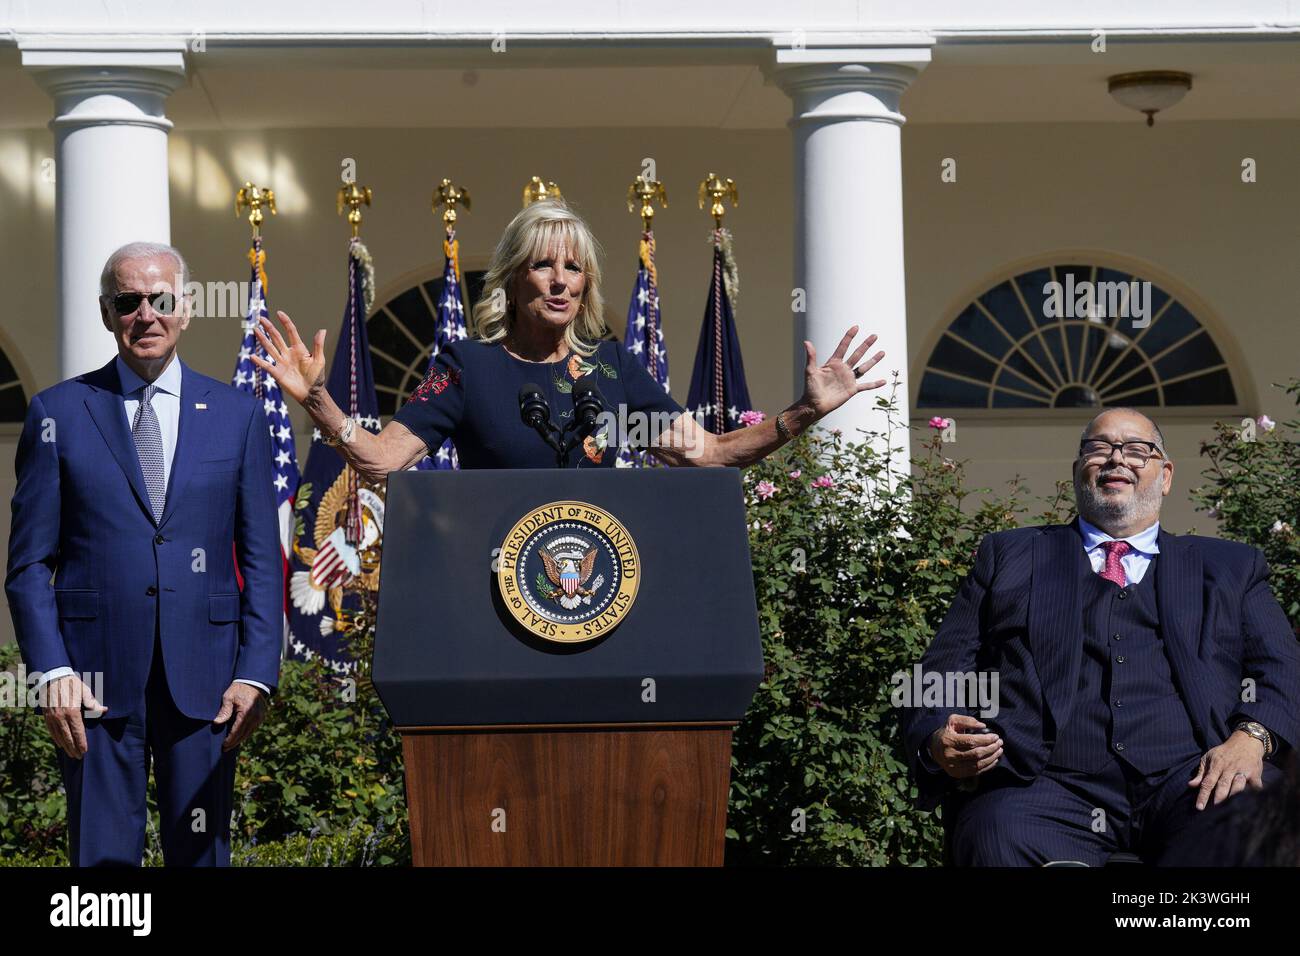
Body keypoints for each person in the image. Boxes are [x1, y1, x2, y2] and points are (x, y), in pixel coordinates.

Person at [899, 407, 1300, 866]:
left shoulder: (1230, 566)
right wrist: (936, 738)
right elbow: (941, 672)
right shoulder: (1010, 556)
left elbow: (1283, 669)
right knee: (994, 833)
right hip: (1047, 787)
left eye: (1137, 449)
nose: (1116, 459)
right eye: (1099, 448)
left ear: (1165, 475)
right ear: (1077, 472)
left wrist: (1251, 738)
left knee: (1259, 825)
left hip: (1194, 776)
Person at [251, 199, 888, 476]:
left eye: (574, 268)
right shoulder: (470, 368)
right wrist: (318, 401)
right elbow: (383, 459)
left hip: (598, 594)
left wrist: (806, 412)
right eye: (543, 265)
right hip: (495, 589)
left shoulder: (612, 371)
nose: (560, 282)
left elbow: (711, 454)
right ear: (512, 276)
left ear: (587, 284)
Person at [5, 242, 282, 866]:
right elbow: (27, 566)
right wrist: (52, 673)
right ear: (107, 313)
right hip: (92, 684)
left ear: (185, 308)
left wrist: (256, 669)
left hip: (209, 682)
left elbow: (263, 558)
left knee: (202, 856)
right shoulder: (58, 414)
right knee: (103, 869)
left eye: (161, 300)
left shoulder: (236, 416)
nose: (146, 315)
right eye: (128, 302)